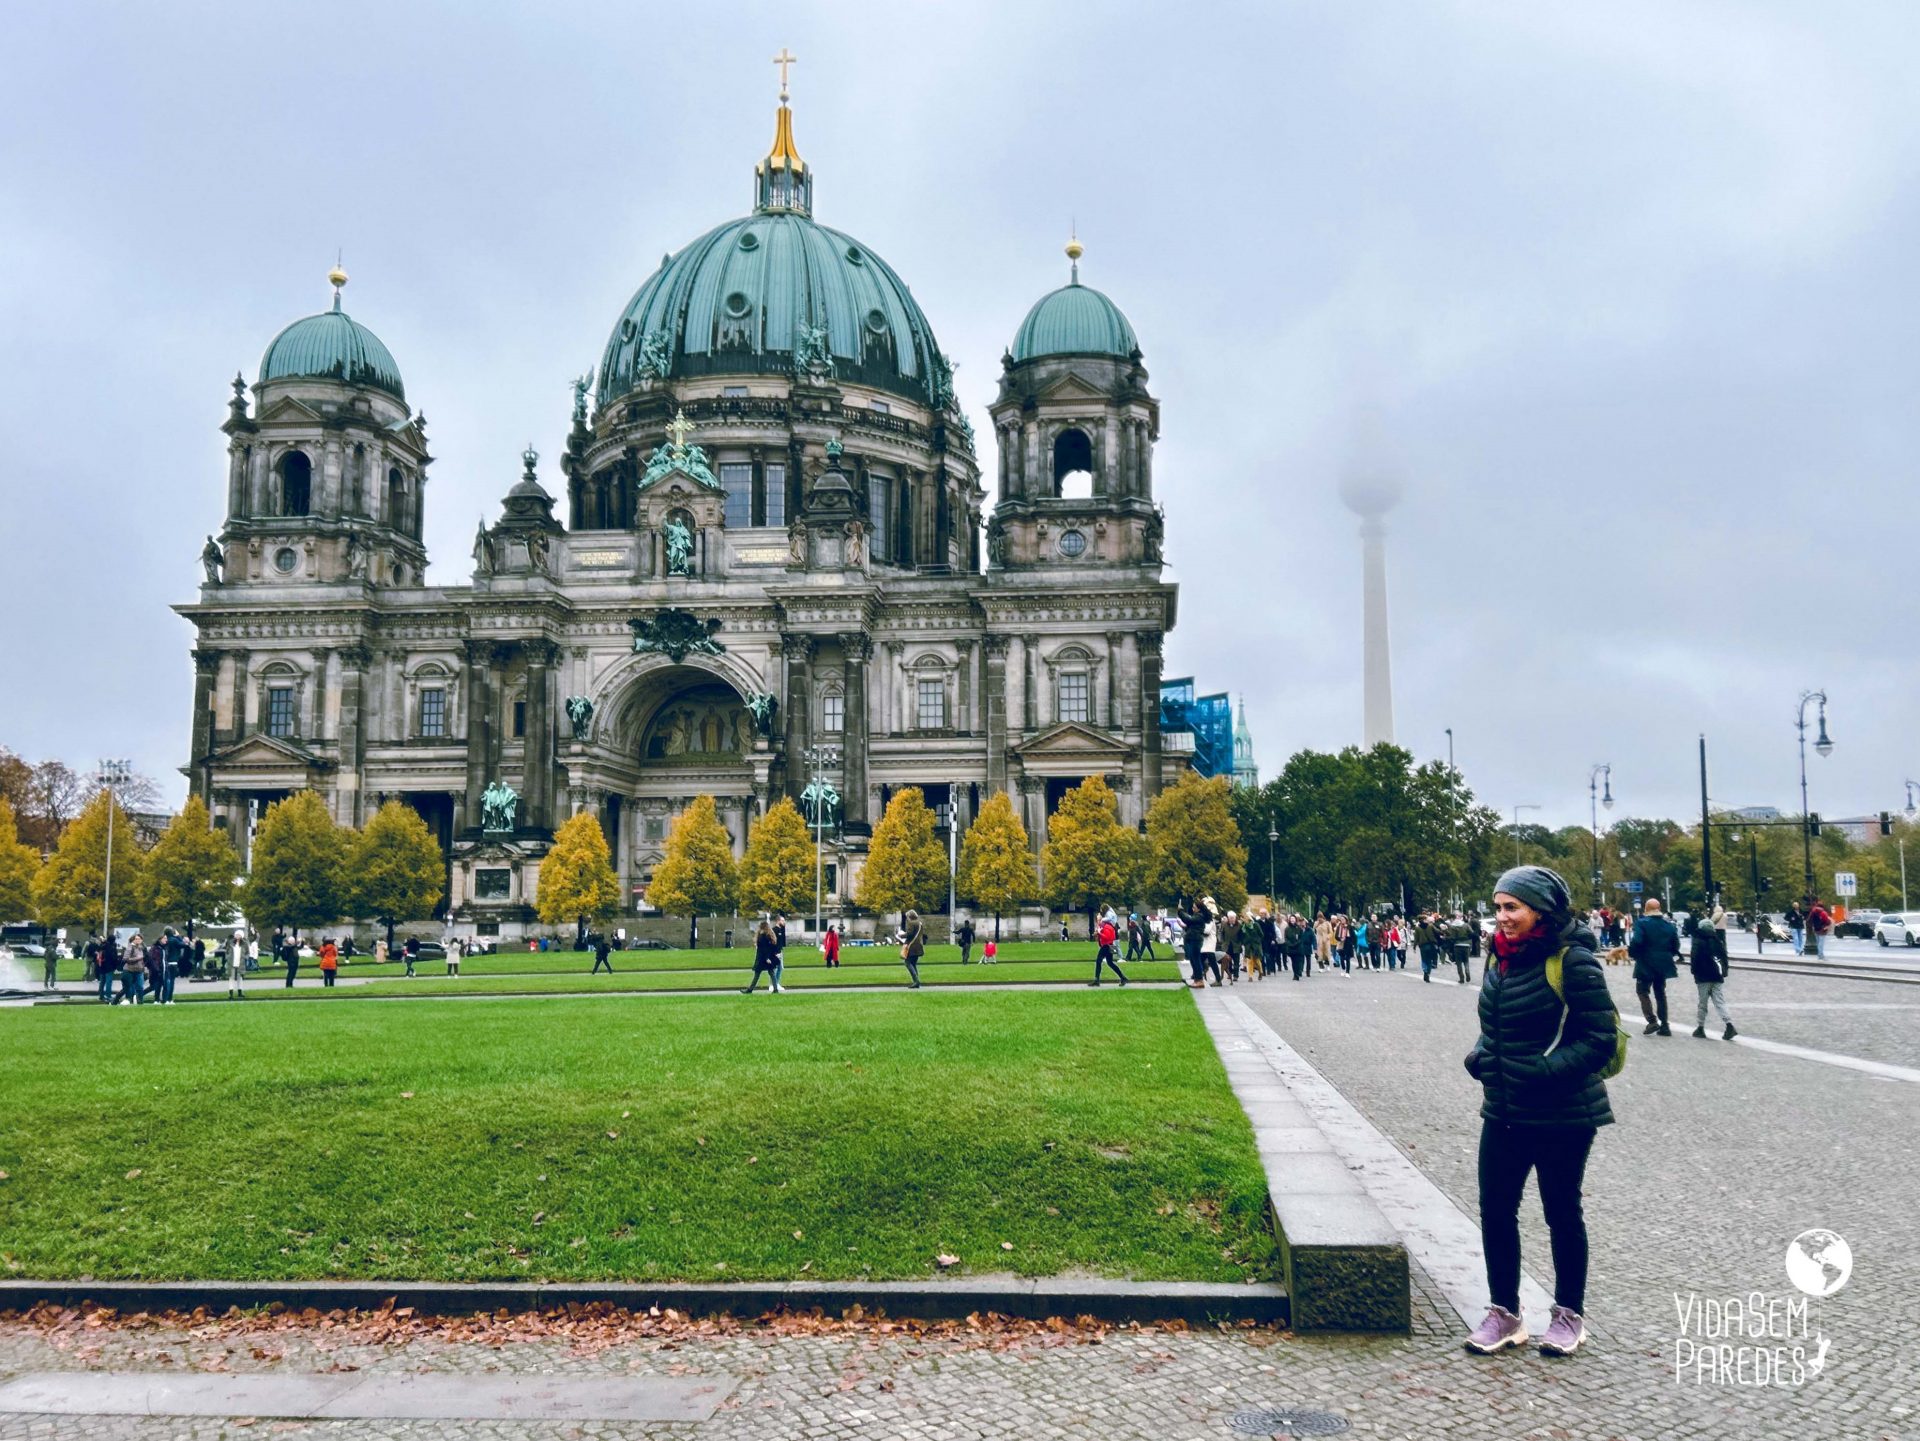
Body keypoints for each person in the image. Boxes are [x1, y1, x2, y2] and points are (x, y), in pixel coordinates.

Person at [1462, 865, 1614, 1359]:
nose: (1501, 918)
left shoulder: (1573, 962)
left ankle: (1569, 1314)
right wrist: (1480, 1055)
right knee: (1496, 1211)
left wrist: (1544, 1073)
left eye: (1512, 908)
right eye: (1498, 907)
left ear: (1540, 911)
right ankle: (1504, 1313)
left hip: (1563, 1114)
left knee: (1561, 1213)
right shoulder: (1498, 958)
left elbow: (1600, 1041)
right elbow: (1497, 1023)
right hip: (1504, 1107)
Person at [1627, 899, 1679, 1036]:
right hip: (1663, 963)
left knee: (1642, 991)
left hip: (1645, 962)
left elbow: (1637, 941)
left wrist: (1633, 953)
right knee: (1660, 993)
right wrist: (1667, 955)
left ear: (1646, 909)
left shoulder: (1642, 923)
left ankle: (1652, 1020)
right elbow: (1676, 945)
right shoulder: (1669, 925)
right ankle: (1665, 1025)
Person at [1689, 917, 1737, 1040]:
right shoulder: (1718, 940)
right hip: (1717, 976)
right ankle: (1729, 1024)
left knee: (1702, 1003)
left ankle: (1700, 1027)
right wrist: (1724, 973)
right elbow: (1724, 958)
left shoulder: (1697, 940)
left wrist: (1694, 972)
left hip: (1703, 977)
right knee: (1720, 1002)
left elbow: (1694, 958)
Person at [741, 920, 781, 993]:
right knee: (771, 973)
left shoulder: (762, 936)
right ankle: (775, 989)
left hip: (762, 958)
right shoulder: (769, 935)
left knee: (757, 974)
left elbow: (764, 948)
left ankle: (750, 989)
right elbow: (772, 946)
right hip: (767, 957)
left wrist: (766, 958)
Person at [1090, 910, 1127, 986]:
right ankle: (1123, 977)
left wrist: (1100, 933)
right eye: (1097, 920)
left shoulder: (1106, 927)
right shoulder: (1102, 926)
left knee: (1098, 961)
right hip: (1108, 946)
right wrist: (1097, 934)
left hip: (1107, 946)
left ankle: (1097, 980)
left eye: (1099, 919)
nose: (1098, 921)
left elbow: (1107, 937)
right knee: (1110, 963)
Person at [900, 909, 926, 988]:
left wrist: (901, 935)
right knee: (913, 963)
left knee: (907, 962)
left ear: (909, 916)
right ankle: (916, 981)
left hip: (912, 946)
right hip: (918, 945)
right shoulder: (919, 923)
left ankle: (916, 981)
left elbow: (910, 934)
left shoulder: (911, 923)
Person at [226, 931, 248, 999]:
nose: (237, 936)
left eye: (239, 935)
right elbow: (227, 951)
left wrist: (245, 957)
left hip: (240, 963)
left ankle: (240, 992)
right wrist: (228, 957)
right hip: (231, 963)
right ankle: (231, 993)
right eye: (236, 935)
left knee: (240, 978)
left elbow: (247, 952)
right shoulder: (230, 943)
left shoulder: (244, 944)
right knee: (231, 978)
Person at [772, 915, 788, 991]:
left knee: (780, 968)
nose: (784, 922)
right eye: (782, 920)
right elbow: (773, 942)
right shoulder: (774, 930)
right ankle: (773, 985)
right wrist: (775, 952)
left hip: (779, 952)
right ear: (778, 921)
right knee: (775, 968)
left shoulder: (781, 930)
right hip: (775, 953)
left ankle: (776, 983)